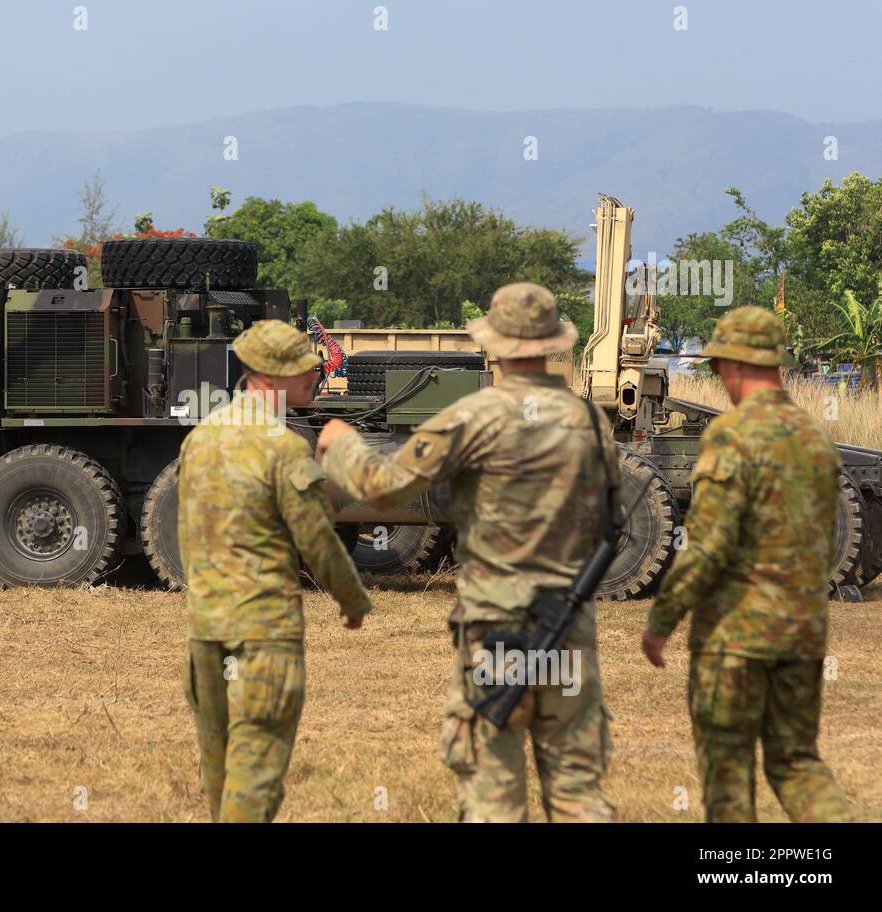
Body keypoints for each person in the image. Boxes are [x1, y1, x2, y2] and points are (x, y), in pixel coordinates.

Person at [316, 283, 616, 822]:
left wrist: (341, 443)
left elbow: (385, 488)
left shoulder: (472, 416)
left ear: (494, 346)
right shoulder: (592, 421)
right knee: (580, 798)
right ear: (551, 344)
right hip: (567, 627)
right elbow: (607, 517)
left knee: (491, 798)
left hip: (495, 627)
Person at [642, 306, 851, 822]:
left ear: (734, 365)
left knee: (728, 769)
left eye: (716, 368)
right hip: (802, 633)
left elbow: (709, 546)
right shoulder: (816, 440)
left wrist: (662, 620)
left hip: (736, 638)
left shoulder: (732, 435)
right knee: (797, 762)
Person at [178, 318, 372, 823]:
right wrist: (353, 602)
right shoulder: (282, 447)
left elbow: (188, 532)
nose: (314, 373)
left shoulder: (200, 438)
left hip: (205, 632)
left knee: (220, 773)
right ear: (266, 376)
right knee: (256, 773)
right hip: (263, 637)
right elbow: (317, 540)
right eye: (301, 368)